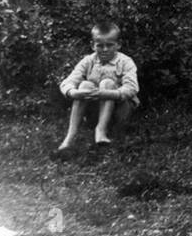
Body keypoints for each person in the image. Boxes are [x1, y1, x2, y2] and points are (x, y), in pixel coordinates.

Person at [56, 23, 139, 155]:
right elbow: (68, 82)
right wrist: (74, 92)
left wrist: (106, 93)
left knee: (107, 83)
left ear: (118, 44)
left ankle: (101, 130)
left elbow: (131, 88)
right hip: (95, 109)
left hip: (120, 110)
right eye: (100, 45)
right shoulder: (88, 61)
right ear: (93, 45)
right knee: (84, 86)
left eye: (110, 45)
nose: (105, 49)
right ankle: (70, 137)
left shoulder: (126, 62)